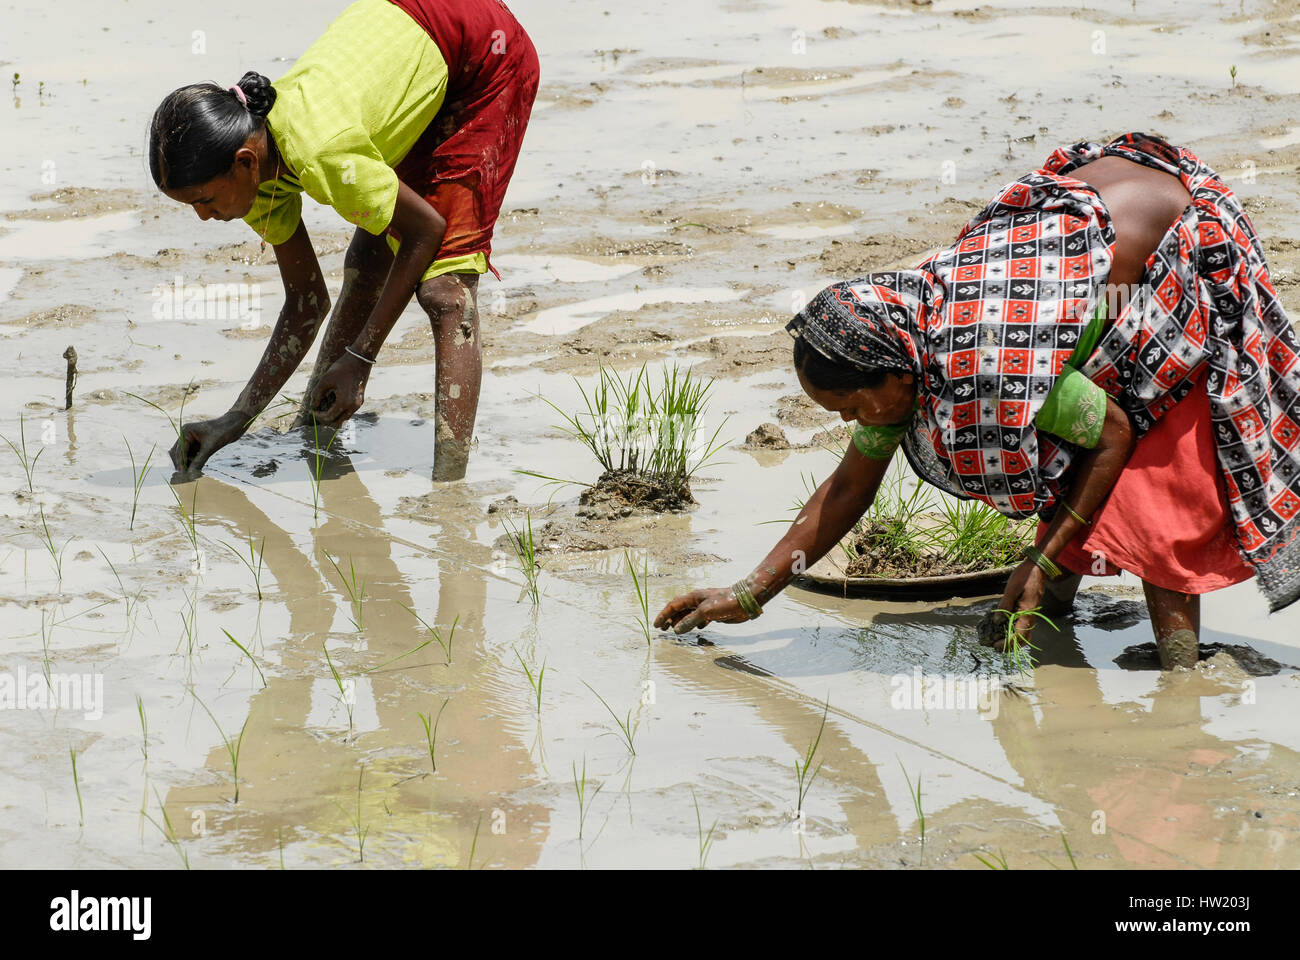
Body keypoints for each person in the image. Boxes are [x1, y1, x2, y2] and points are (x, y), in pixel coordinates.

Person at [655, 133, 1300, 669]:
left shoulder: (990, 364)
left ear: (898, 378)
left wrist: (1041, 560)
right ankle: (1052, 598)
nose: (852, 426)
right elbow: (851, 487)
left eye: (852, 409)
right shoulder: (904, 337)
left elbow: (1113, 435)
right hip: (1094, 230)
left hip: (1177, 244)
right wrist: (749, 595)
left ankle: (1180, 682)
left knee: (1153, 492)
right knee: (1066, 440)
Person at [147, 0, 540, 481]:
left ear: (245, 162)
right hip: (416, 45)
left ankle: (449, 491)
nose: (204, 217)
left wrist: (360, 359)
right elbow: (306, 302)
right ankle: (315, 431)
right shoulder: (257, 167)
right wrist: (235, 420)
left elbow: (426, 229)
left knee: (445, 288)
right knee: (369, 255)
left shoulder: (322, 152)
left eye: (204, 200)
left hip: (482, 55)